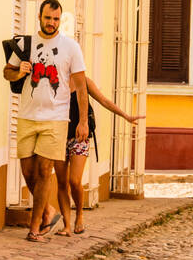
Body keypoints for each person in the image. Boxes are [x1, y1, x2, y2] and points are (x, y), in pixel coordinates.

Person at [3, 0, 88, 241]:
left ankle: (34, 228)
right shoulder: (25, 44)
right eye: (48, 18)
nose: (51, 23)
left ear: (60, 20)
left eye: (56, 19)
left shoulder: (71, 47)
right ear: (39, 17)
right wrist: (19, 71)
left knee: (44, 170)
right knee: (28, 172)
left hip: (56, 118)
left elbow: (81, 88)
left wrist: (82, 121)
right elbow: (6, 72)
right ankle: (48, 211)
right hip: (27, 116)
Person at [57, 77, 136, 236]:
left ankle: (79, 214)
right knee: (61, 183)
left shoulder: (83, 81)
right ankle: (66, 225)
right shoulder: (54, 78)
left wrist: (126, 116)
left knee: (74, 180)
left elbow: (104, 101)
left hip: (79, 138)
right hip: (57, 137)